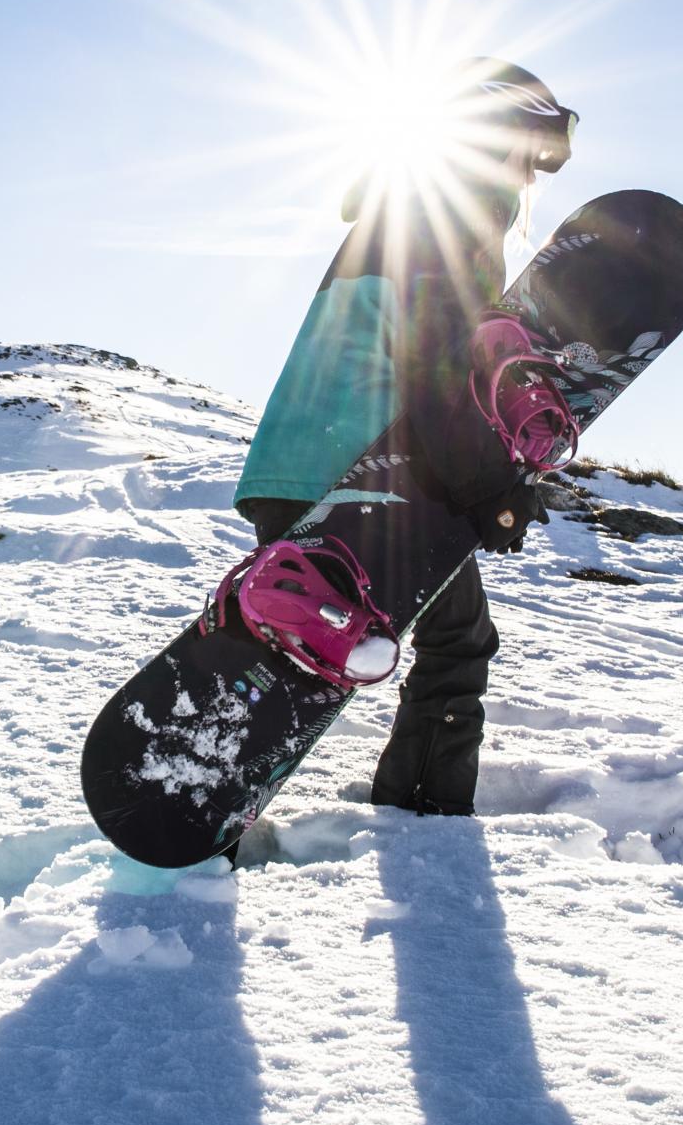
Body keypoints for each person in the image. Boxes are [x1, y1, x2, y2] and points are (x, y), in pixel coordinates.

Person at [233, 58, 577, 818]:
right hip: (370, 471)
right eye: (539, 142)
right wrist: (490, 486)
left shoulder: (399, 207)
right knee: (458, 644)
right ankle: (425, 820)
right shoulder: (457, 213)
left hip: (296, 465)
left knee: (292, 649)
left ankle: (202, 797)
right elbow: (435, 373)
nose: (535, 171)